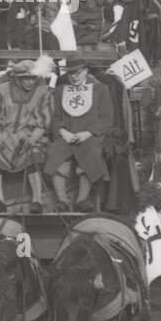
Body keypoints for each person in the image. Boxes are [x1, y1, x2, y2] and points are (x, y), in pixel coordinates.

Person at [0, 59, 53, 212]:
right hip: (2, 132)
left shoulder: (43, 92)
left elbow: (43, 120)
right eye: (26, 78)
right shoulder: (1, 90)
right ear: (17, 78)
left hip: (29, 134)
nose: (30, 82)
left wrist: (34, 137)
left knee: (34, 154)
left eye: (33, 78)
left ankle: (37, 200)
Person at [44, 62, 113, 212]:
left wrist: (88, 133)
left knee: (91, 152)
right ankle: (62, 201)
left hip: (89, 135)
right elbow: (55, 117)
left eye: (77, 73)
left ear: (86, 71)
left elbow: (107, 118)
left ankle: (82, 200)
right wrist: (63, 132)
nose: (74, 76)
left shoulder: (100, 89)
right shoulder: (60, 90)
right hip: (66, 135)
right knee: (55, 154)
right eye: (70, 73)